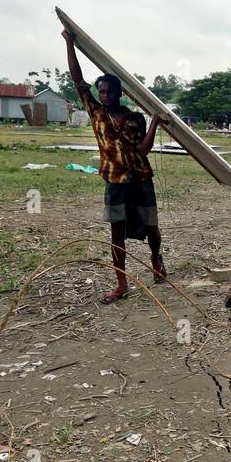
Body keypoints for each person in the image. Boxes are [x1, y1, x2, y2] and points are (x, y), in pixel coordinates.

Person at [64, 29, 166, 303]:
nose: (105, 95)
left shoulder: (134, 118)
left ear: (120, 92)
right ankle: (121, 283)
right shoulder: (96, 113)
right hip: (115, 181)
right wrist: (69, 43)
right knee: (116, 231)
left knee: (151, 226)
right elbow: (78, 81)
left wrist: (154, 123)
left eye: (110, 91)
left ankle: (157, 261)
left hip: (140, 178)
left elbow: (143, 150)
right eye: (102, 91)